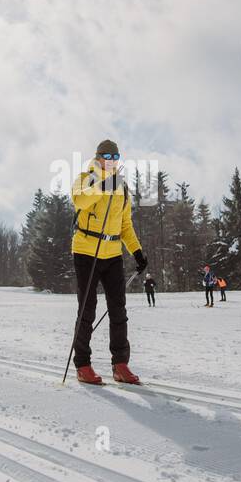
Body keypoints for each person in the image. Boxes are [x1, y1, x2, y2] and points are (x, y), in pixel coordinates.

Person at [70, 139, 147, 385]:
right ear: (99, 157)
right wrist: (104, 186)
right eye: (108, 157)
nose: (112, 161)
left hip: (112, 253)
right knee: (87, 309)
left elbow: (125, 225)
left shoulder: (122, 188)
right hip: (86, 250)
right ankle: (83, 365)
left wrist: (137, 252)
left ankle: (120, 365)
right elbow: (79, 201)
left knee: (118, 310)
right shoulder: (86, 177)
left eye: (116, 157)